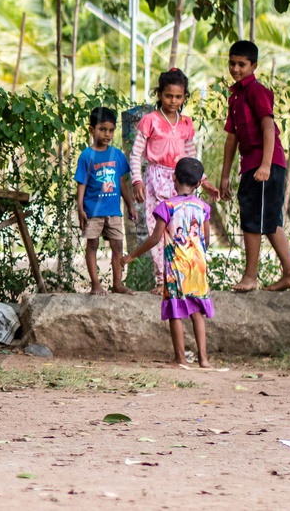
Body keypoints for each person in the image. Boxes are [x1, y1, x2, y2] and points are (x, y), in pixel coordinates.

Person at [215, 40, 290, 292]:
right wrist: (225, 176)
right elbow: (232, 138)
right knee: (268, 219)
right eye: (232, 63)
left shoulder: (256, 91)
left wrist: (265, 165)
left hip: (265, 163)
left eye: (241, 64)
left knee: (253, 218)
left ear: (253, 65)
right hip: (251, 165)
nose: (235, 68)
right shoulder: (235, 97)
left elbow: (268, 127)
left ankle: (250, 276)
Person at [129, 69, 219, 295]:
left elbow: (190, 156)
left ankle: (187, 274)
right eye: (169, 96)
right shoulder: (150, 121)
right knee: (158, 230)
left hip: (183, 182)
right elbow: (136, 153)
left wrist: (204, 181)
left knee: (185, 229)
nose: (173, 101)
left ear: (184, 97)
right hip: (156, 180)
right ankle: (163, 279)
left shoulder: (186, 123)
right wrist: (137, 181)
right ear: (160, 94)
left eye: (178, 97)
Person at [122, 157, 216, 368]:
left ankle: (180, 358)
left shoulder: (167, 206)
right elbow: (206, 239)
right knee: (197, 311)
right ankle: (203, 358)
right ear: (199, 183)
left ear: (173, 178)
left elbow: (155, 238)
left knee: (176, 311)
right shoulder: (203, 208)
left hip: (175, 267)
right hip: (197, 266)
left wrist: (130, 256)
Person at [74, 106, 135, 295]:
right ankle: (95, 284)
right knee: (92, 245)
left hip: (114, 210)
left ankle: (117, 284)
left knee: (118, 245)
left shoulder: (116, 154)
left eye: (110, 130)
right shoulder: (86, 156)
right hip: (93, 211)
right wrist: (80, 207)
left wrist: (130, 204)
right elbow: (81, 183)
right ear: (92, 130)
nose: (107, 134)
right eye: (102, 129)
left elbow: (122, 181)